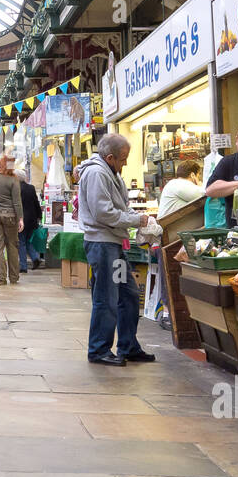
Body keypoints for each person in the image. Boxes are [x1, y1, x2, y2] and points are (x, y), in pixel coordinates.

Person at [76, 134, 154, 366]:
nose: (125, 163)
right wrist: (135, 220)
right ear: (109, 157)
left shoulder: (111, 173)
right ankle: (99, 349)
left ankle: (128, 346)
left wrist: (135, 218)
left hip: (114, 245)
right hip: (102, 245)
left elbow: (118, 207)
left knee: (128, 294)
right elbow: (104, 213)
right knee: (106, 297)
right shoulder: (97, 173)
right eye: (123, 159)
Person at [0, 149, 24, 285]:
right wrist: (20, 219)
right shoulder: (13, 179)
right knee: (12, 246)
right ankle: (14, 277)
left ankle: (0, 278)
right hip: (10, 217)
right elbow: (17, 202)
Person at [18, 175, 43, 272]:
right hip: (31, 219)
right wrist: (39, 216)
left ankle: (23, 266)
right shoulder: (31, 188)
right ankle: (35, 257)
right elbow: (36, 203)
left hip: (21, 219)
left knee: (21, 242)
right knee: (28, 241)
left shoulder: (16, 188)